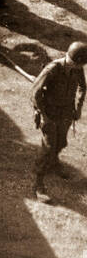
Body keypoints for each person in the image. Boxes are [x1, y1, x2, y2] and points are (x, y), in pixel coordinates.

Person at [32, 42, 87, 200]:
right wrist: (42, 115)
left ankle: (54, 162)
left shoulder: (78, 68)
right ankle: (38, 183)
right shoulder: (52, 69)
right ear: (72, 58)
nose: (76, 67)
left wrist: (78, 107)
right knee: (48, 146)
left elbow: (83, 87)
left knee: (61, 142)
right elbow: (35, 94)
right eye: (75, 63)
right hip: (49, 113)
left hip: (66, 113)